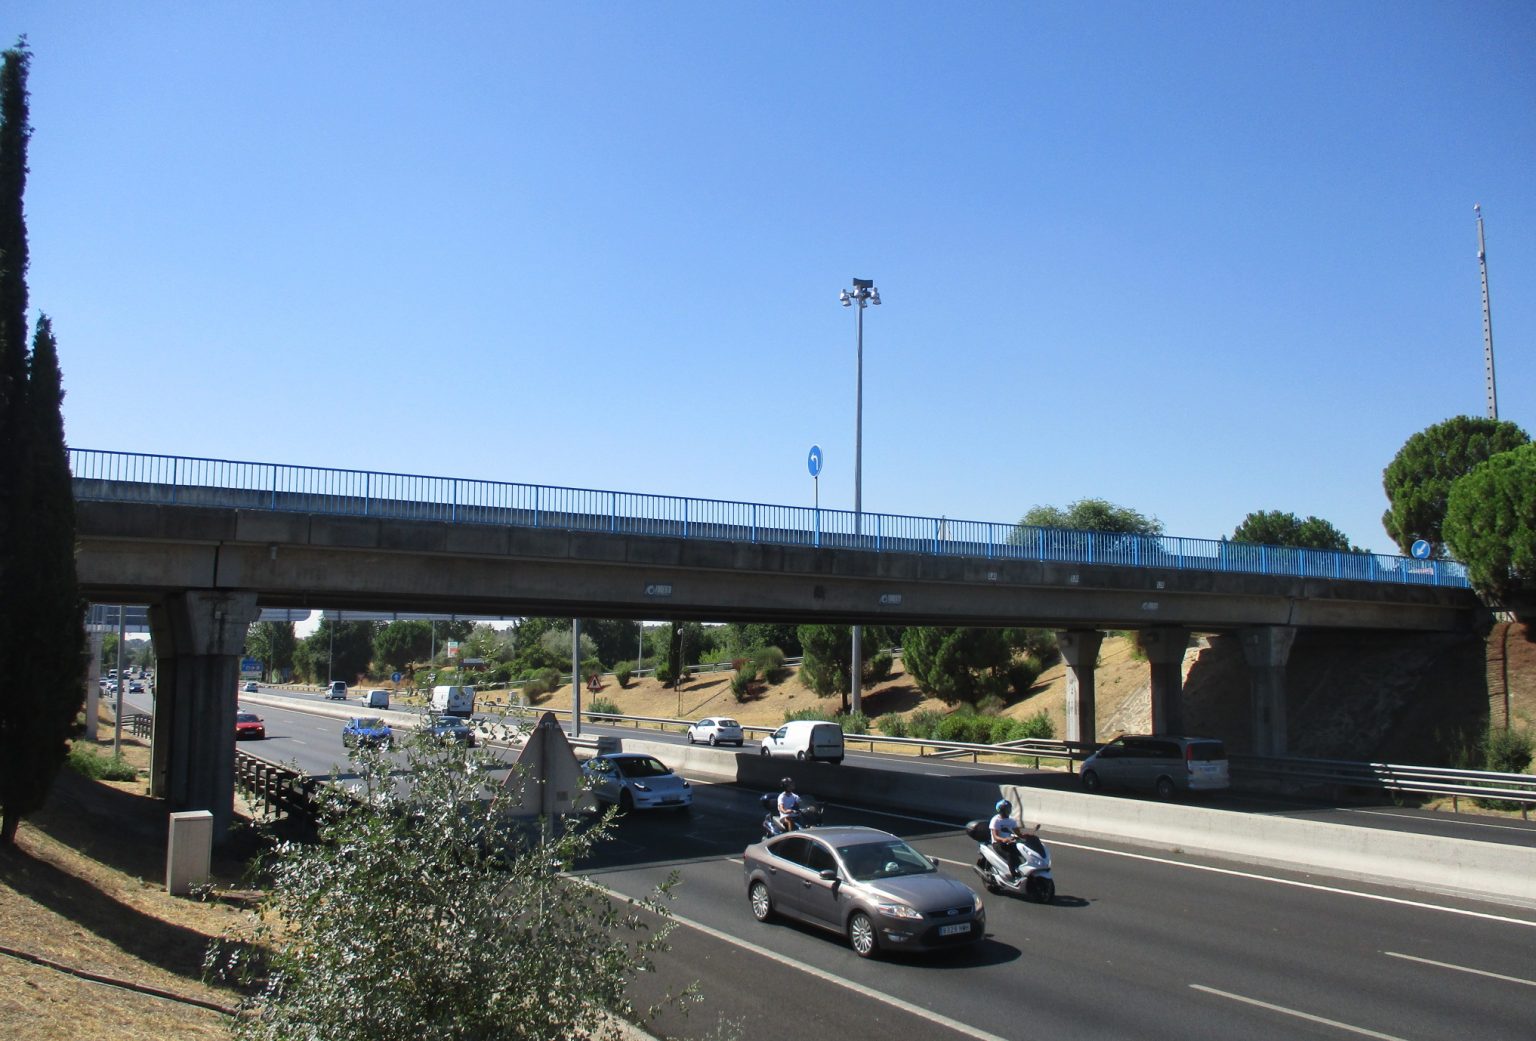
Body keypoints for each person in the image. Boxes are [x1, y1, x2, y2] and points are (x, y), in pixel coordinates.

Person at [989, 798, 1023, 876]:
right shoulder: (996, 820)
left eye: (1009, 809)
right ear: (1001, 810)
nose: (1008, 811)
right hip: (998, 844)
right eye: (1006, 809)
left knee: (1022, 852)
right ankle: (1013, 874)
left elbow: (1019, 833)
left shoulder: (1011, 820)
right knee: (1010, 855)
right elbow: (995, 837)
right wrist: (1004, 839)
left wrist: (1028, 836)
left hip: (1010, 842)